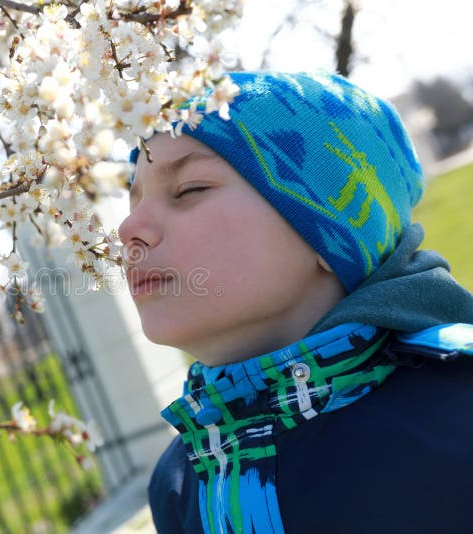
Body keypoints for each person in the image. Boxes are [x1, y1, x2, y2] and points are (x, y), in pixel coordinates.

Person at [117, 71, 473, 534]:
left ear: (330, 235)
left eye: (189, 189)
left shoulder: (453, 416)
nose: (128, 230)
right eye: (133, 199)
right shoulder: (181, 482)